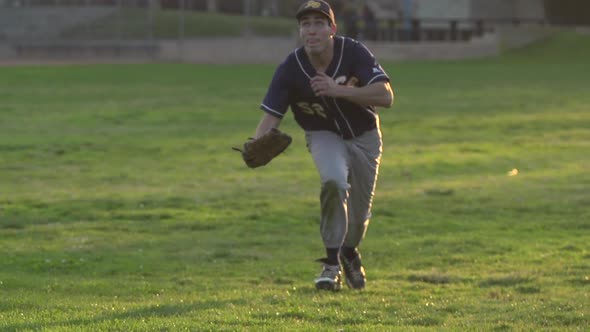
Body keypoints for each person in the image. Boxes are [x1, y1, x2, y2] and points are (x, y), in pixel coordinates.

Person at [252, 0, 394, 291]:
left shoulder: (352, 52)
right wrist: (255, 144)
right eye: (306, 24)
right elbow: (271, 117)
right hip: (322, 134)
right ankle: (330, 265)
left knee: (358, 217)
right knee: (333, 181)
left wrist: (338, 90)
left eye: (319, 23)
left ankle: (349, 251)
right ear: (300, 31)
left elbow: (386, 96)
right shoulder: (291, 67)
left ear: (332, 29)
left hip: (365, 135)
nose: (312, 30)